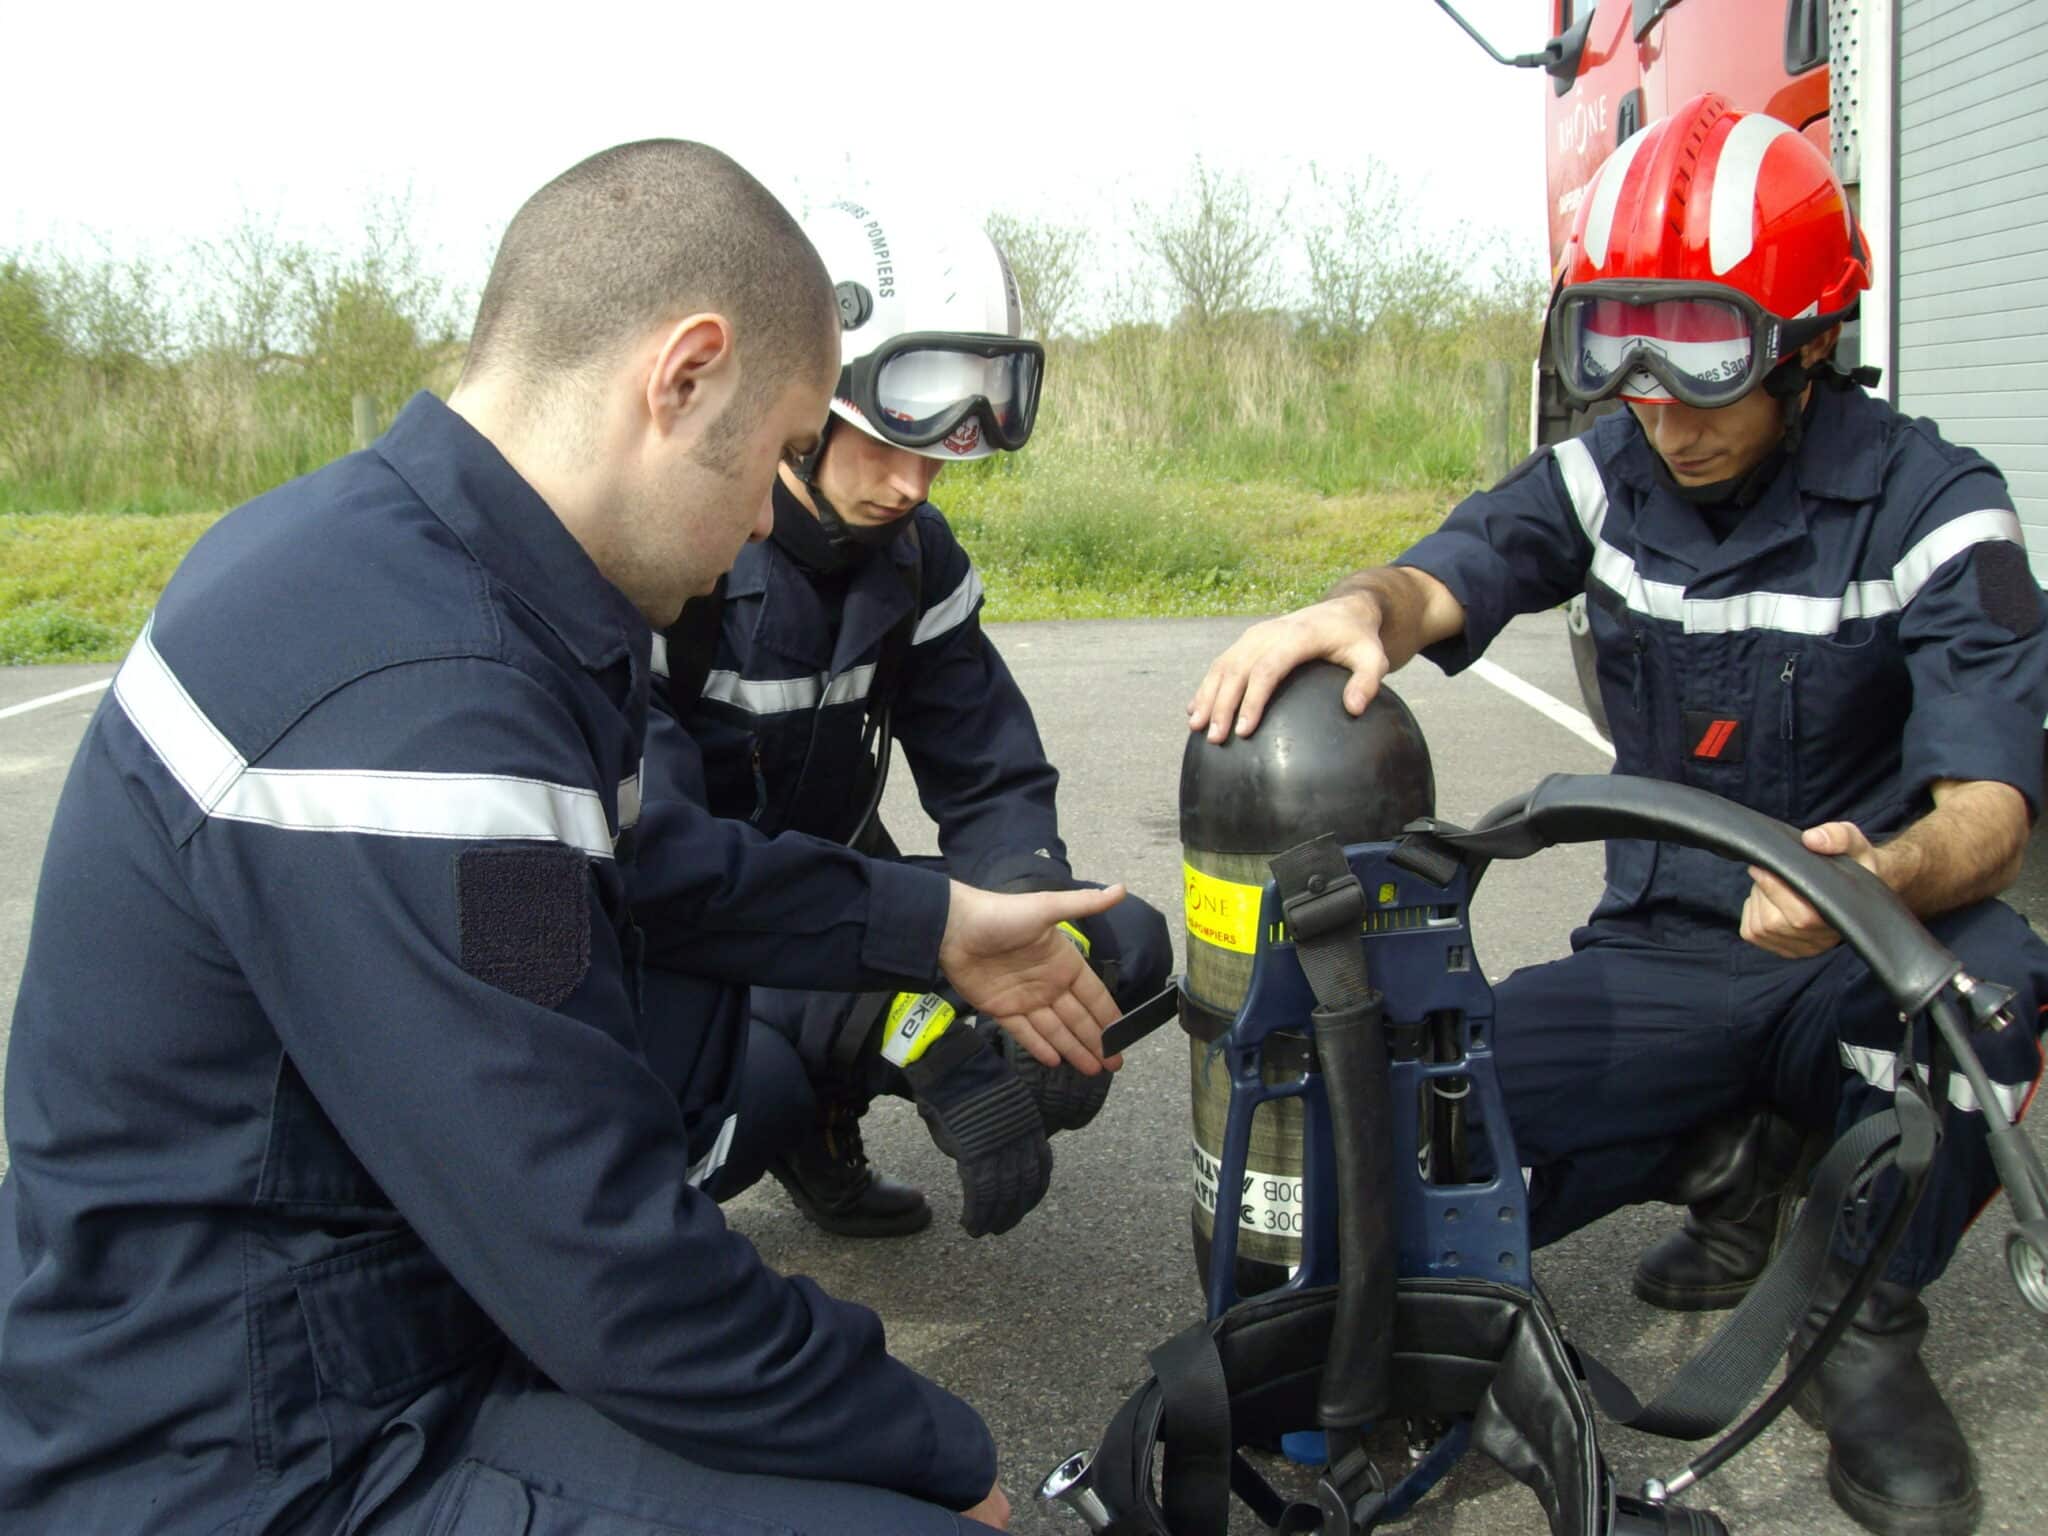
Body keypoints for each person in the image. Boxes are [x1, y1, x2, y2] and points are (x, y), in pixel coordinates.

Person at [0, 140, 1131, 1536]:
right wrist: (940, 1452)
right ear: (684, 377)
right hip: (252, 1449)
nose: (760, 522)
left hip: (354, 1321)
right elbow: (607, 1265)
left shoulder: (403, 566)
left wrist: (934, 926)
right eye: (778, 454)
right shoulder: (427, 701)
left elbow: (641, 866)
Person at [1187, 95, 2048, 1536]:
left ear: (1805, 348)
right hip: (1660, 956)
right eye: (1625, 363)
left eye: (1703, 371)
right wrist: (1355, 612)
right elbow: (1451, 571)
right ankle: (1730, 1155)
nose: (1662, 414)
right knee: (1408, 1138)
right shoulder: (1611, 472)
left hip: (1855, 945)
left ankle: (1860, 1324)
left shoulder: (1936, 508)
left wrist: (1877, 873)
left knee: (1995, 997)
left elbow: (1994, 815)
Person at [657, 200, 1172, 1240]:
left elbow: (989, 773)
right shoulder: (680, 559)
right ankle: (772, 1144)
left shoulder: (916, 556)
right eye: (883, 442)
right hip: (695, 933)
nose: (912, 484)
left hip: (846, 894)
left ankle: (832, 1068)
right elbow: (667, 883)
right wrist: (906, 1027)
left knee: (1118, 944)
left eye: (938, 450)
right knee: (754, 1086)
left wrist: (1027, 922)